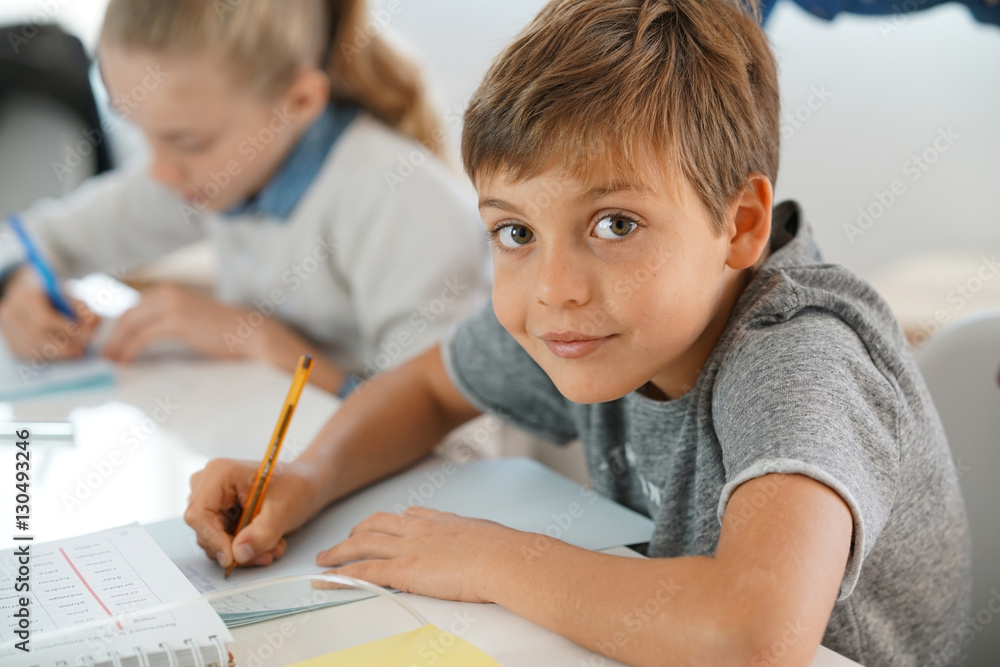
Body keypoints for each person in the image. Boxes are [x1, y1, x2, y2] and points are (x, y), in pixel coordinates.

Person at [183, 0, 971, 664]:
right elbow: (429, 384)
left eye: (615, 223)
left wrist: (487, 556)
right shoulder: (597, 325)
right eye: (515, 233)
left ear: (742, 223)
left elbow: (753, 632)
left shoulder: (799, 354)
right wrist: (307, 477)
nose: (554, 290)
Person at [0, 0, 488, 396]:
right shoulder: (204, 172)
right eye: (139, 132)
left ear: (298, 103)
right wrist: (18, 284)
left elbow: (458, 434)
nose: (159, 172)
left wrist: (258, 340)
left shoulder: (401, 203)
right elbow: (27, 237)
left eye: (187, 141)